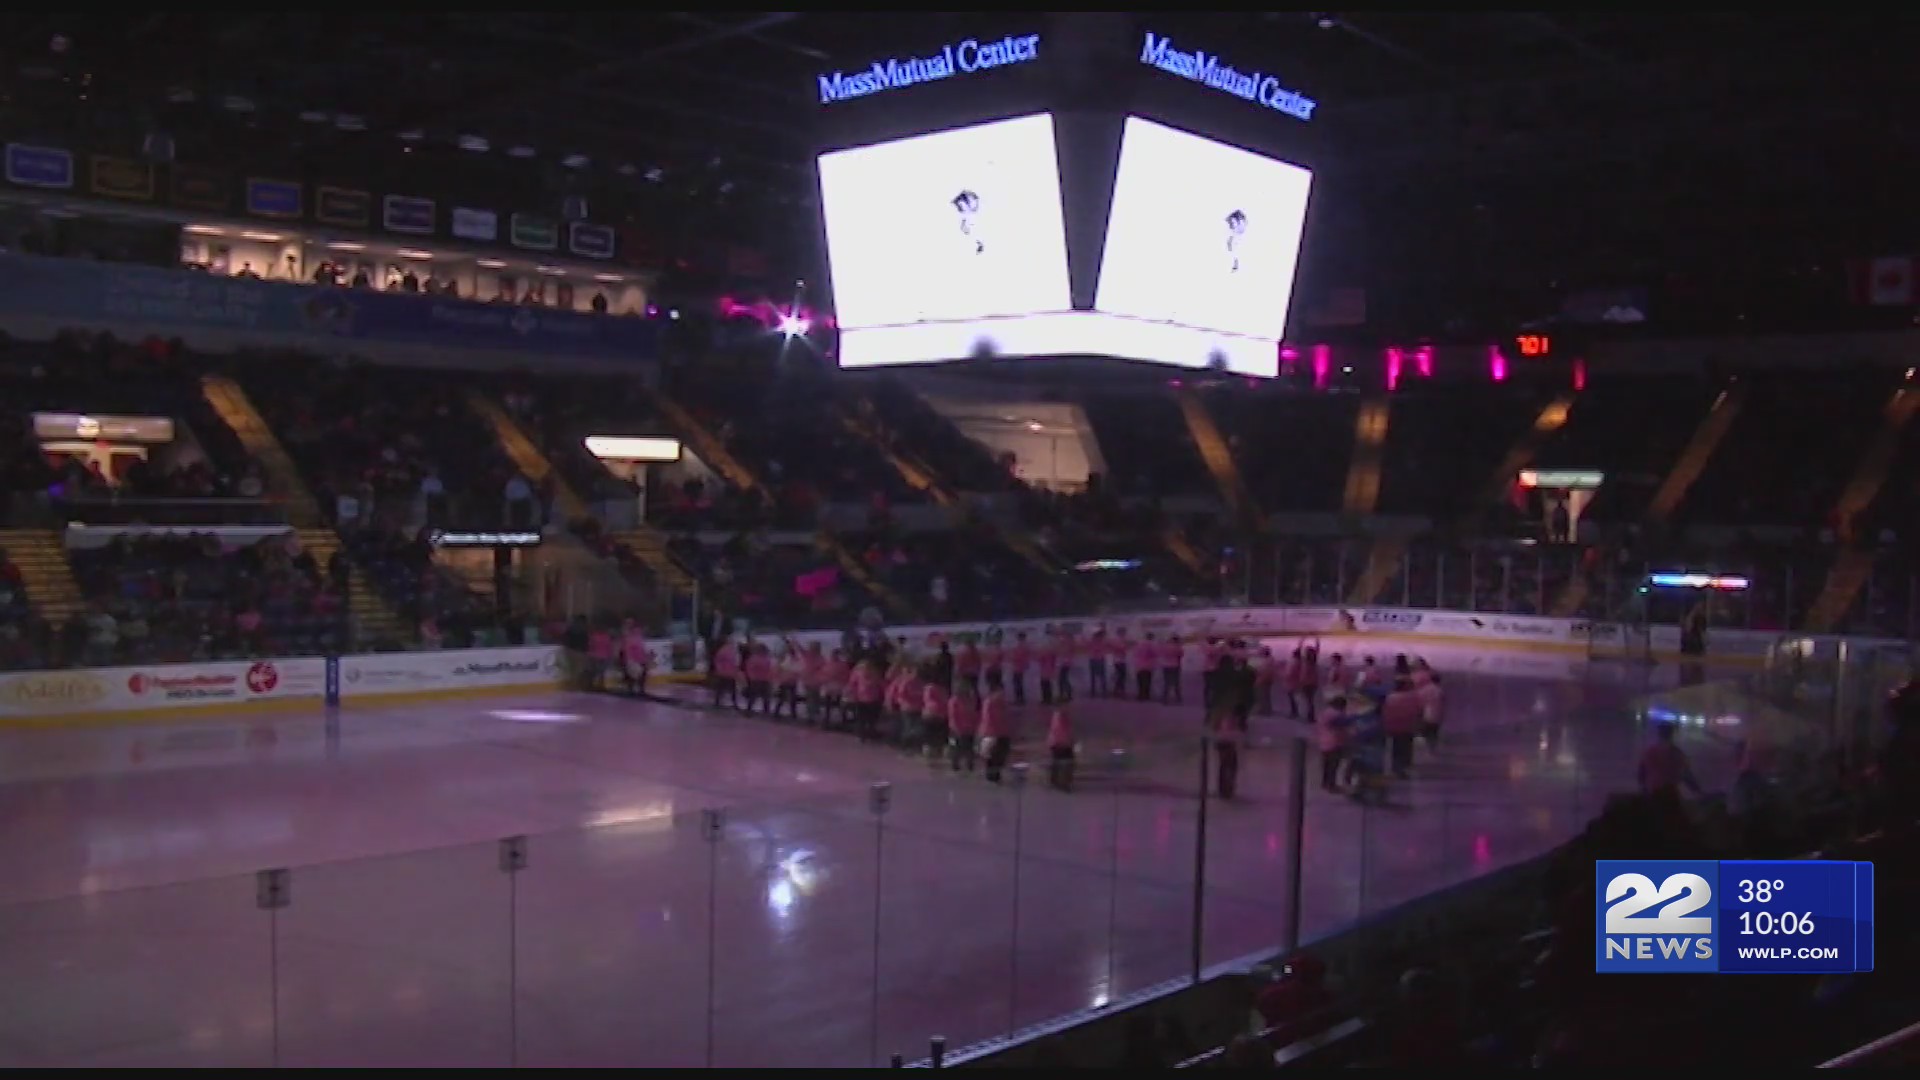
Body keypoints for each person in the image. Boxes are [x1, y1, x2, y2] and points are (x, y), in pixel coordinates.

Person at [1637, 721, 1700, 799]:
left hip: (1654, 792)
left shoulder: (1650, 752)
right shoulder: (1677, 753)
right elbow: (1686, 775)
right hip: (1670, 793)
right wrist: (1697, 791)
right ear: (1671, 735)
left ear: (1659, 734)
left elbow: (1641, 774)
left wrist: (1645, 790)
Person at [1381, 676, 1423, 778]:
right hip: (1408, 726)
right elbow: (1418, 711)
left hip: (1393, 726)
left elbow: (1385, 712)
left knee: (1395, 748)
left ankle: (1395, 768)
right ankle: (1403, 769)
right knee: (1406, 748)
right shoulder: (1413, 696)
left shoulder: (1390, 697)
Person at [978, 681, 1012, 782]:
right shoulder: (989, 703)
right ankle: (991, 775)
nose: (1002, 693)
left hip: (1003, 732)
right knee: (992, 755)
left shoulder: (1003, 703)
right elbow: (988, 719)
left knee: (1001, 755)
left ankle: (997, 773)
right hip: (991, 733)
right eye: (999, 691)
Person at [947, 680, 980, 773]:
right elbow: (953, 716)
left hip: (970, 729)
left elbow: (975, 714)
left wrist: (975, 726)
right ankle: (955, 765)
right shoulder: (954, 701)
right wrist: (956, 728)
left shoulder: (971, 700)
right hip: (957, 729)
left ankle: (970, 765)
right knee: (957, 748)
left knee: (970, 748)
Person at [1047, 702, 1076, 791]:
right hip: (1061, 743)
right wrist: (1068, 742)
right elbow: (1060, 731)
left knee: (1058, 761)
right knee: (1066, 762)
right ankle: (1064, 783)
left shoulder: (1057, 715)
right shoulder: (1061, 717)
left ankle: (1055, 780)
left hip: (1056, 742)